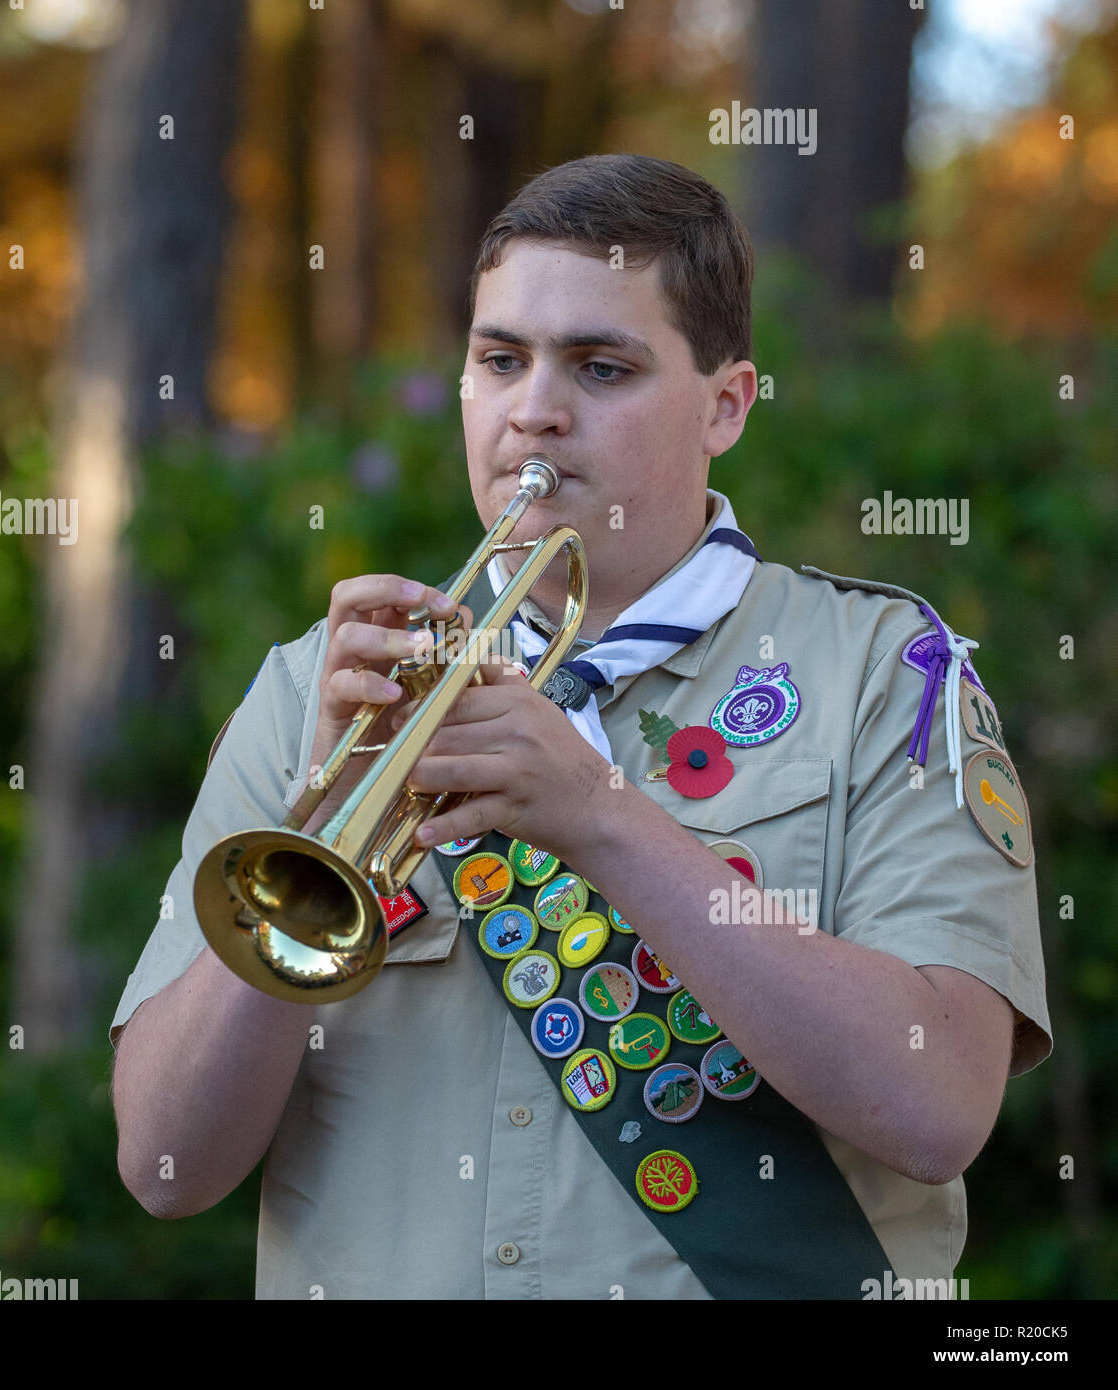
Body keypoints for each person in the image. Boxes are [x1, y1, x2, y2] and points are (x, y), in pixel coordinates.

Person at [110, 153, 1051, 1299]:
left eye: (600, 367)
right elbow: (164, 1166)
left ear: (726, 405)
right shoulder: (321, 689)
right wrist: (327, 809)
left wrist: (603, 821)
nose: (533, 410)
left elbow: (938, 1105)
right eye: (498, 359)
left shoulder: (882, 675)